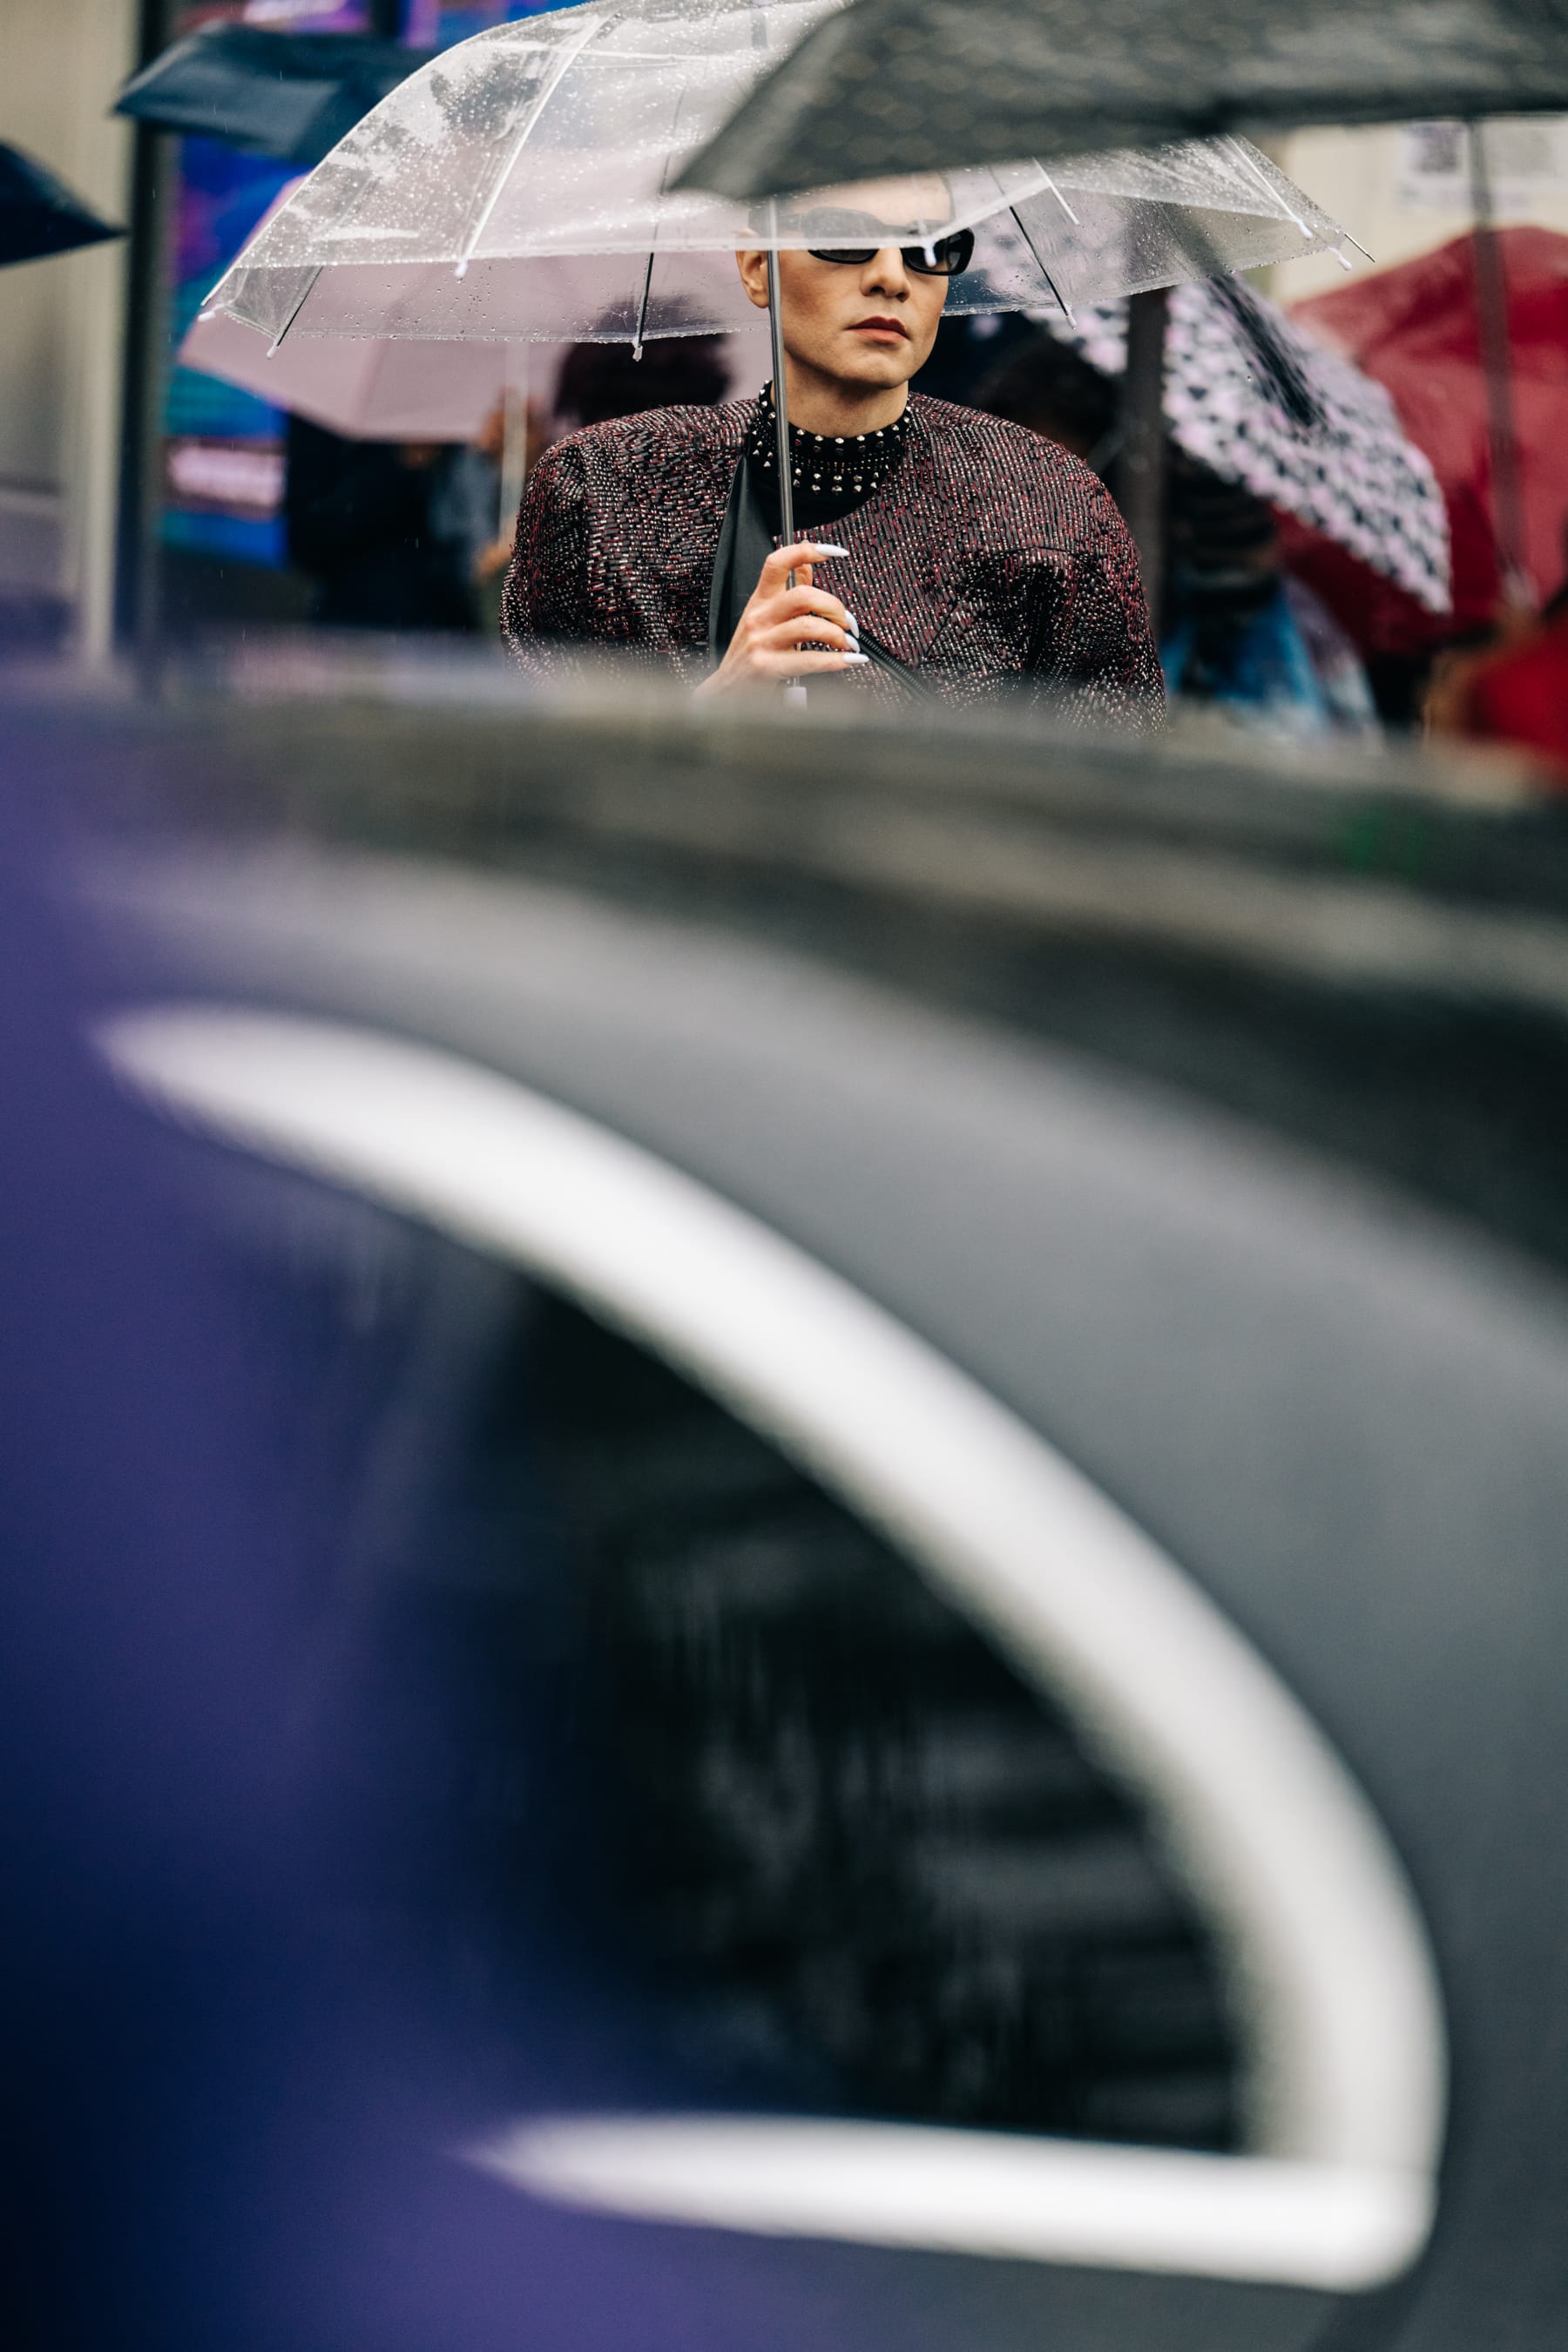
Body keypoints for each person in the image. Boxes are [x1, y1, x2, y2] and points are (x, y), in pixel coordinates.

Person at [503, 204, 1162, 718]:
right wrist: (716, 708)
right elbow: (530, 787)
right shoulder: (607, 485)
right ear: (758, 266)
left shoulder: (1045, 500)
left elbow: (1117, 792)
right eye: (842, 238)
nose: (890, 275)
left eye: (932, 249)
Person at [284, 416, 479, 634]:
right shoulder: (327, 415)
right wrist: (402, 462)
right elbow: (308, 537)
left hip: (469, 633)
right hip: (362, 628)